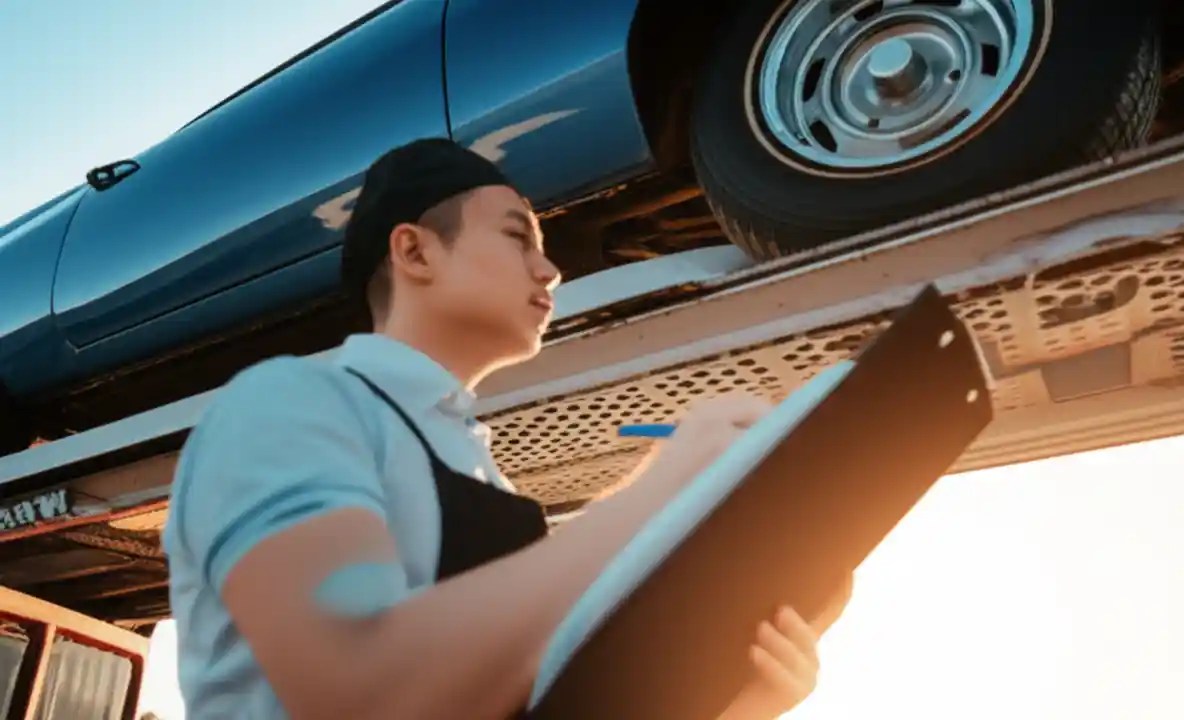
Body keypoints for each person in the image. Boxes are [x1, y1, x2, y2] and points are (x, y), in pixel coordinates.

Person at [162, 138, 852, 719]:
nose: (550, 268)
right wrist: (665, 487)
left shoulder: (475, 462)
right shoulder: (288, 404)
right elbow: (355, 692)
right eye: (518, 237)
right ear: (416, 254)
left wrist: (740, 698)